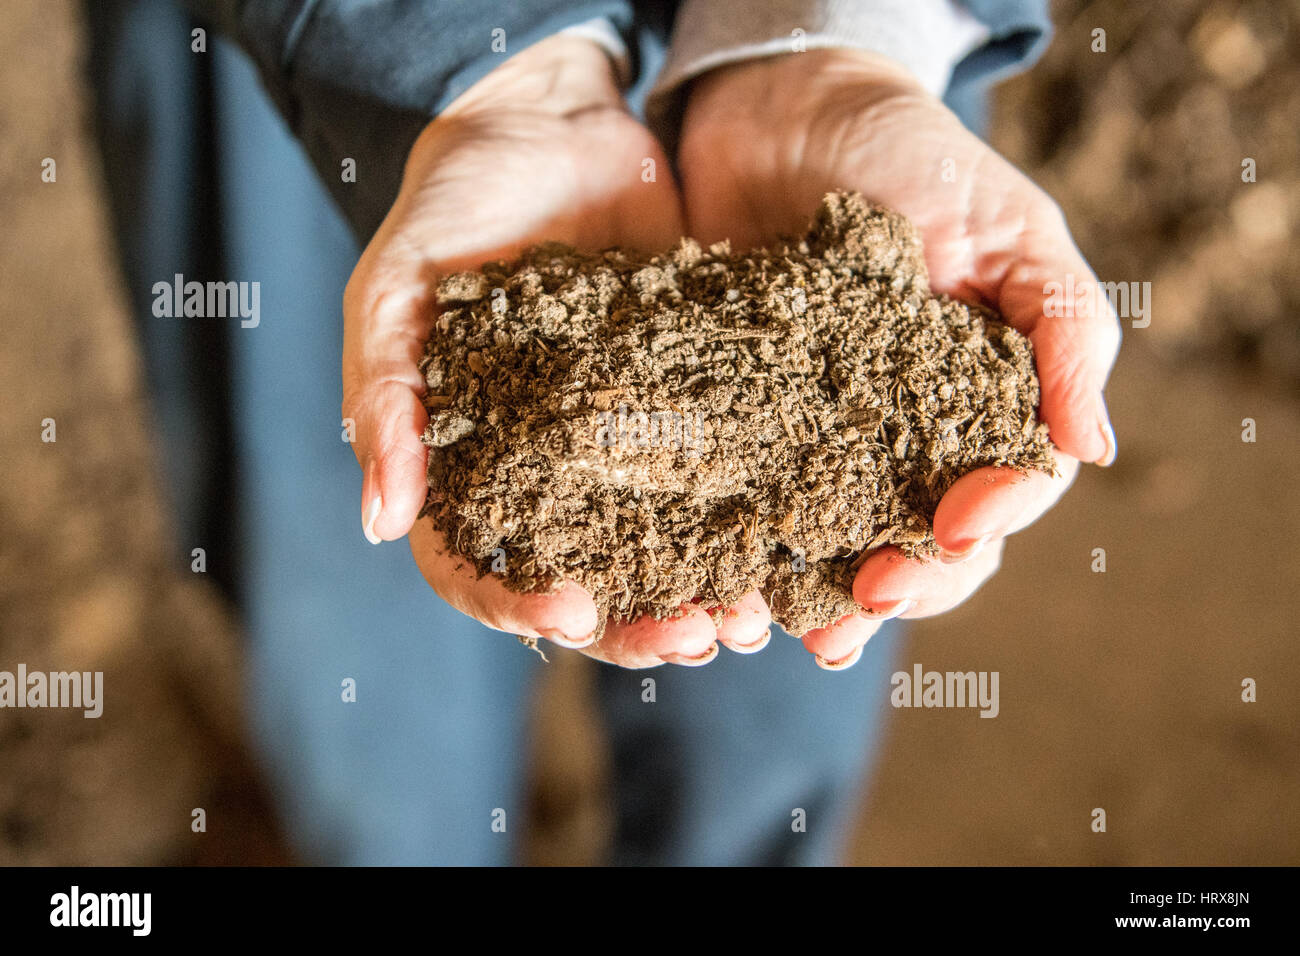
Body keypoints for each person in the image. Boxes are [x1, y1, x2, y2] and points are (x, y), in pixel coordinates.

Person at [87, 0, 1118, 864]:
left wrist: (835, 37)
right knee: (362, 625)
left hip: (822, 97)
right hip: (347, 45)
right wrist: (464, 54)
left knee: (777, 691)